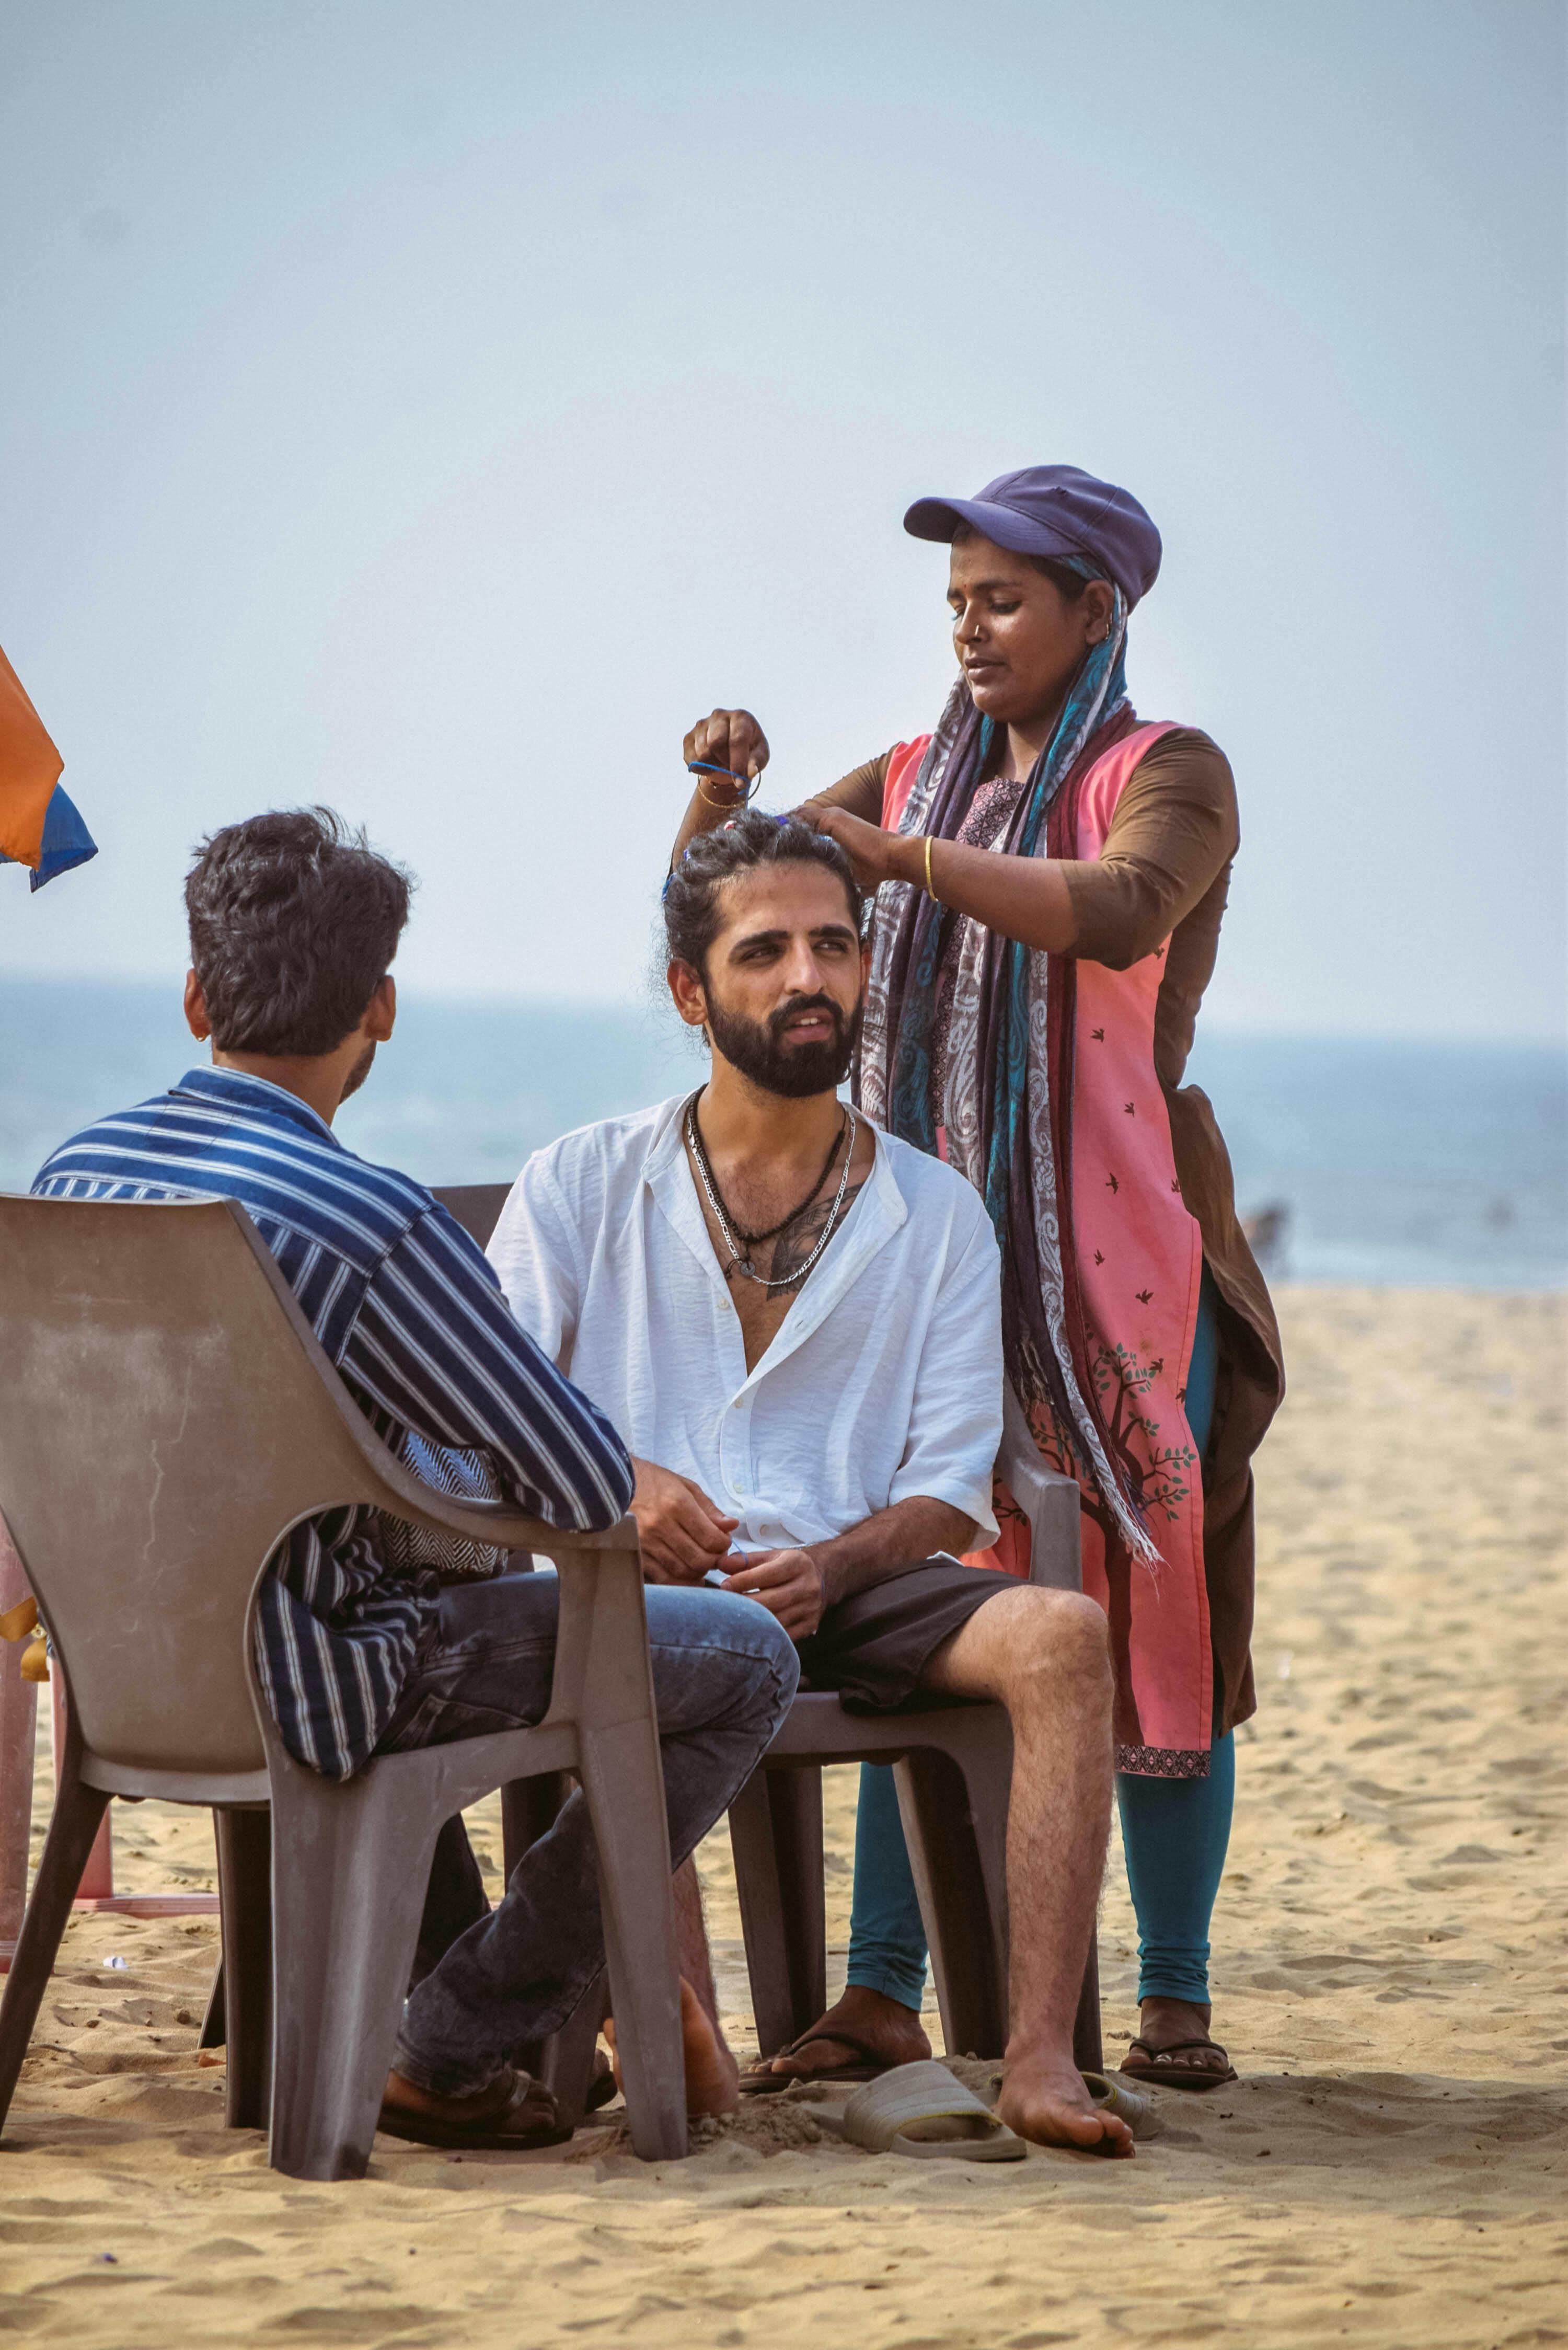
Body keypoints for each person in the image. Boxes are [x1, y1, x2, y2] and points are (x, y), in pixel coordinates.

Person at [32, 807, 799, 2148]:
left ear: (199, 994)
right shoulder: (372, 1220)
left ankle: (429, 2014)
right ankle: (446, 2044)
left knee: (411, 1588)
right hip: (319, 1684)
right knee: (741, 1662)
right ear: (380, 1007)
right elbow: (572, 1481)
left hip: (120, 1680)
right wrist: (435, 1467)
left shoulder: (71, 1176)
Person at [673, 466, 1285, 2094]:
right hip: (931, 1266)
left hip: (1122, 1283)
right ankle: (881, 1990)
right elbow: (740, 888)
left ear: (1099, 610)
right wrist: (718, 787)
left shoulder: (1171, 772)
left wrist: (911, 858)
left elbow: (1118, 907)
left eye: (1003, 599)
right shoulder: (923, 773)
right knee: (931, 1598)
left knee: (1153, 1609)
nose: (970, 631)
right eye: (955, 604)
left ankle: (1174, 1994)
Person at [487, 810, 1133, 2156]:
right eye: (766, 949)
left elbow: (956, 1486)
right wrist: (619, 1482)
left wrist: (834, 1565)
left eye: (834, 945)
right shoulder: (579, 1183)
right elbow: (488, 1418)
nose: (808, 979)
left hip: (856, 1585)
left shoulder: (936, 1209)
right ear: (690, 990)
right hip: (638, 1593)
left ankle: (1038, 2061)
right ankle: (678, 2030)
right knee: (640, 1647)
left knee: (1065, 1633)